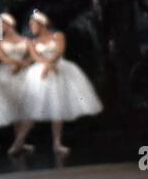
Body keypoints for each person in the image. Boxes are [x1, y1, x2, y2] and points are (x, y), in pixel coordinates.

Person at [9, 10, 103, 156]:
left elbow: (59, 51)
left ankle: (57, 143)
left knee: (57, 108)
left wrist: (50, 63)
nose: (31, 28)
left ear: (41, 24)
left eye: (33, 24)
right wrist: (46, 65)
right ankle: (19, 142)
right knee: (33, 109)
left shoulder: (57, 36)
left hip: (59, 71)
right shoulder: (32, 41)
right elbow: (35, 56)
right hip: (40, 74)